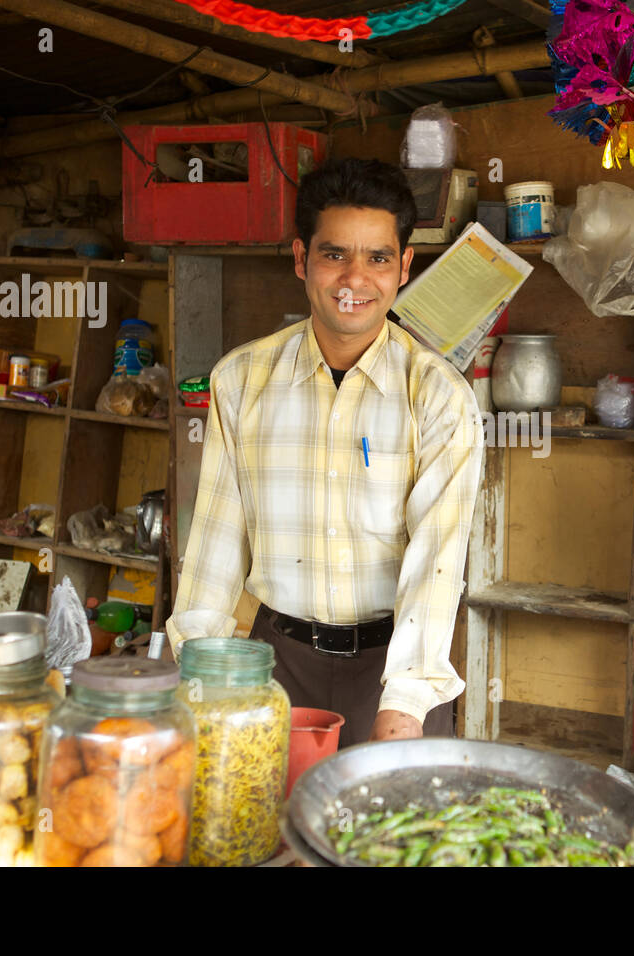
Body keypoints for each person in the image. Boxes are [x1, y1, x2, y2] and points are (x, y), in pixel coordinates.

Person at [167, 157, 484, 745]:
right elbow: (215, 544)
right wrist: (198, 673)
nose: (354, 279)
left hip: (392, 668)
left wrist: (407, 703)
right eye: (335, 254)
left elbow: (436, 564)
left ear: (404, 267)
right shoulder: (240, 379)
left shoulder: (439, 395)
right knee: (254, 828)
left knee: (383, 833)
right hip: (272, 664)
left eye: (378, 258)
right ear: (301, 259)